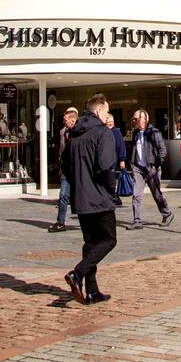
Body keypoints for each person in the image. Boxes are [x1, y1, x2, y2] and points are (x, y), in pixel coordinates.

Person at [64, 94, 119, 305]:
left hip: (81, 196)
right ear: (98, 111)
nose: (107, 116)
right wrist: (111, 189)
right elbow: (105, 166)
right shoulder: (102, 133)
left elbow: (65, 165)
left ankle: (92, 290)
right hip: (99, 197)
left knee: (90, 243)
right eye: (106, 111)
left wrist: (78, 184)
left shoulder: (74, 135)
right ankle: (77, 274)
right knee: (108, 240)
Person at [129, 109, 174, 230]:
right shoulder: (136, 133)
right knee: (136, 195)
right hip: (138, 168)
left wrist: (156, 166)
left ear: (144, 120)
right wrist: (132, 165)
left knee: (156, 194)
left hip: (151, 168)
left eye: (136, 119)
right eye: (133, 119)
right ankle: (137, 220)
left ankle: (167, 213)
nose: (134, 121)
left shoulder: (154, 132)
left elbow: (162, 151)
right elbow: (134, 149)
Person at [49, 107, 78, 233]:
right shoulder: (62, 132)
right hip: (66, 168)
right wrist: (60, 166)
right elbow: (60, 151)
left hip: (78, 169)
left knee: (80, 197)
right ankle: (60, 222)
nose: (63, 121)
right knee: (63, 196)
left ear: (73, 121)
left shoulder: (80, 133)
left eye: (65, 119)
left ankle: (87, 222)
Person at [104, 113, 126, 208]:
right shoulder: (104, 132)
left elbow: (121, 146)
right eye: (108, 122)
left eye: (111, 122)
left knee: (111, 180)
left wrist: (122, 159)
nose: (110, 123)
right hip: (106, 160)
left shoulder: (116, 132)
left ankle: (115, 198)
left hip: (114, 160)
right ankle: (112, 198)